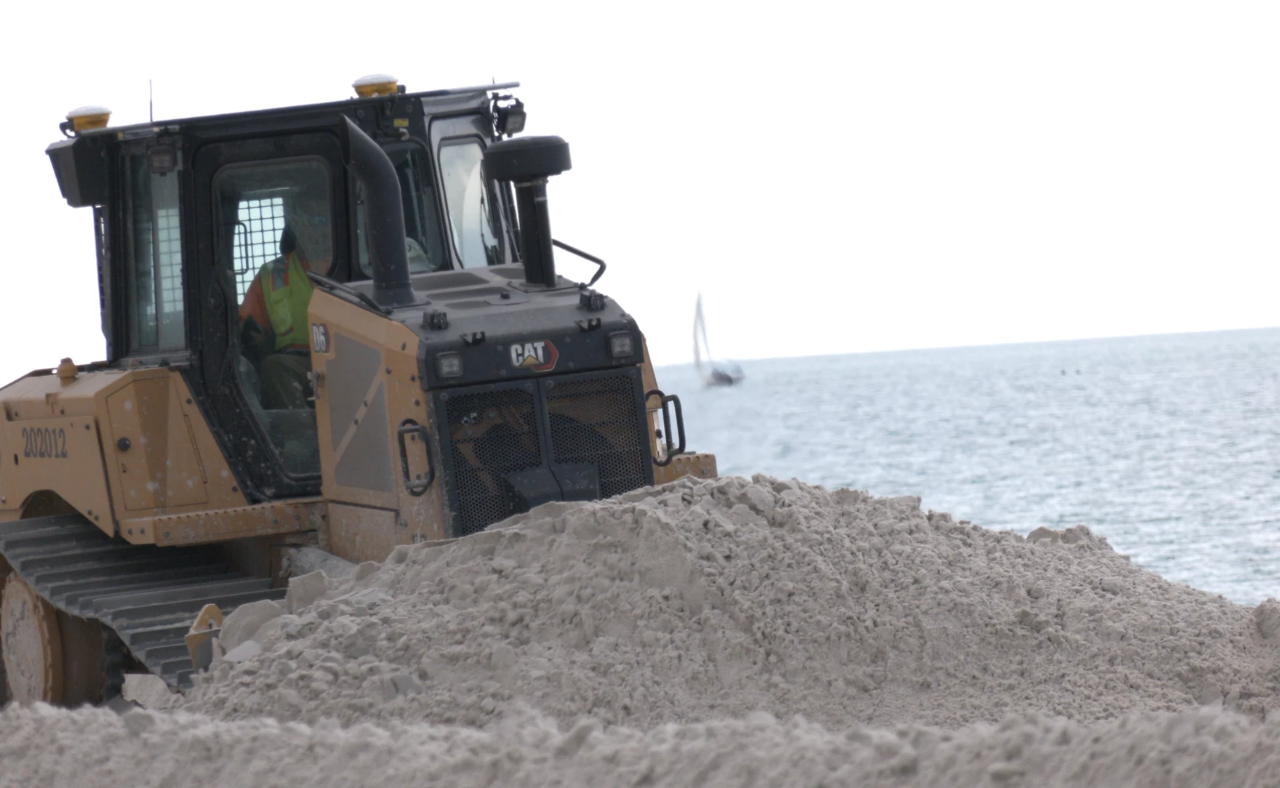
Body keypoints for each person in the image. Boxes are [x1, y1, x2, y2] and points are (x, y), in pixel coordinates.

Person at [238, 194, 331, 410]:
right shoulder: (272, 275)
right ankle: (301, 437)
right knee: (274, 367)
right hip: (299, 364)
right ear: (295, 223)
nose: (322, 229)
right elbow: (250, 330)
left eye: (326, 220)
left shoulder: (360, 265)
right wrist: (251, 334)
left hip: (352, 358)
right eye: (315, 220)